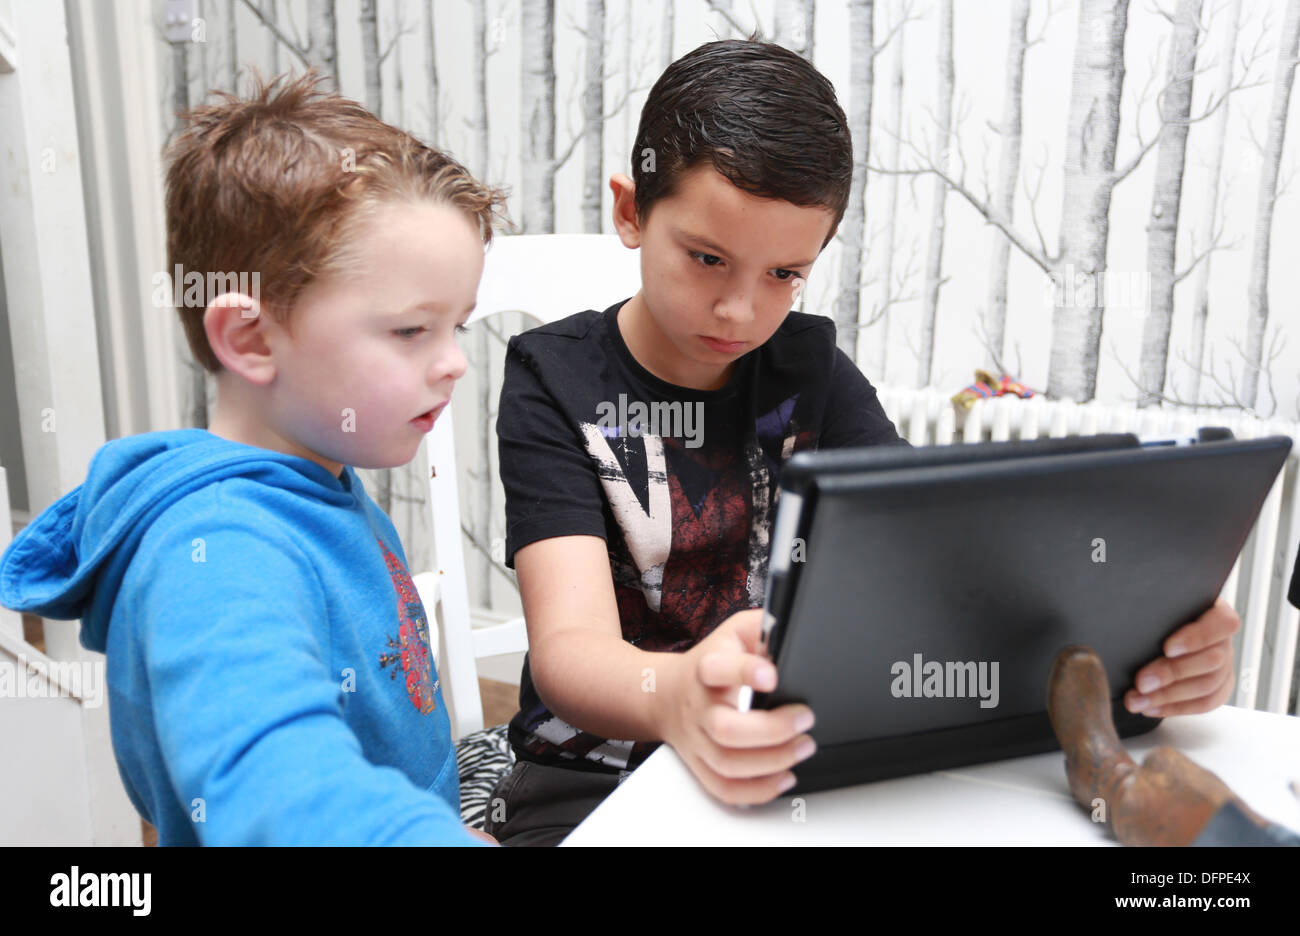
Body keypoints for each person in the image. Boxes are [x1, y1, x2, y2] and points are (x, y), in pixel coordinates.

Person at [484, 37, 1245, 846]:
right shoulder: (553, 380)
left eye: (784, 273)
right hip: (590, 780)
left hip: (787, 773)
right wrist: (674, 694)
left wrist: (1149, 646)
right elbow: (570, 654)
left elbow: (948, 559)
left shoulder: (809, 371)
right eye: (708, 258)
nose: (742, 311)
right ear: (632, 211)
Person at [0, 71, 506, 845]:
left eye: (458, 327)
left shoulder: (316, 480)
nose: (453, 364)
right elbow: (274, 778)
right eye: (412, 331)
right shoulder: (218, 553)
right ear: (250, 338)